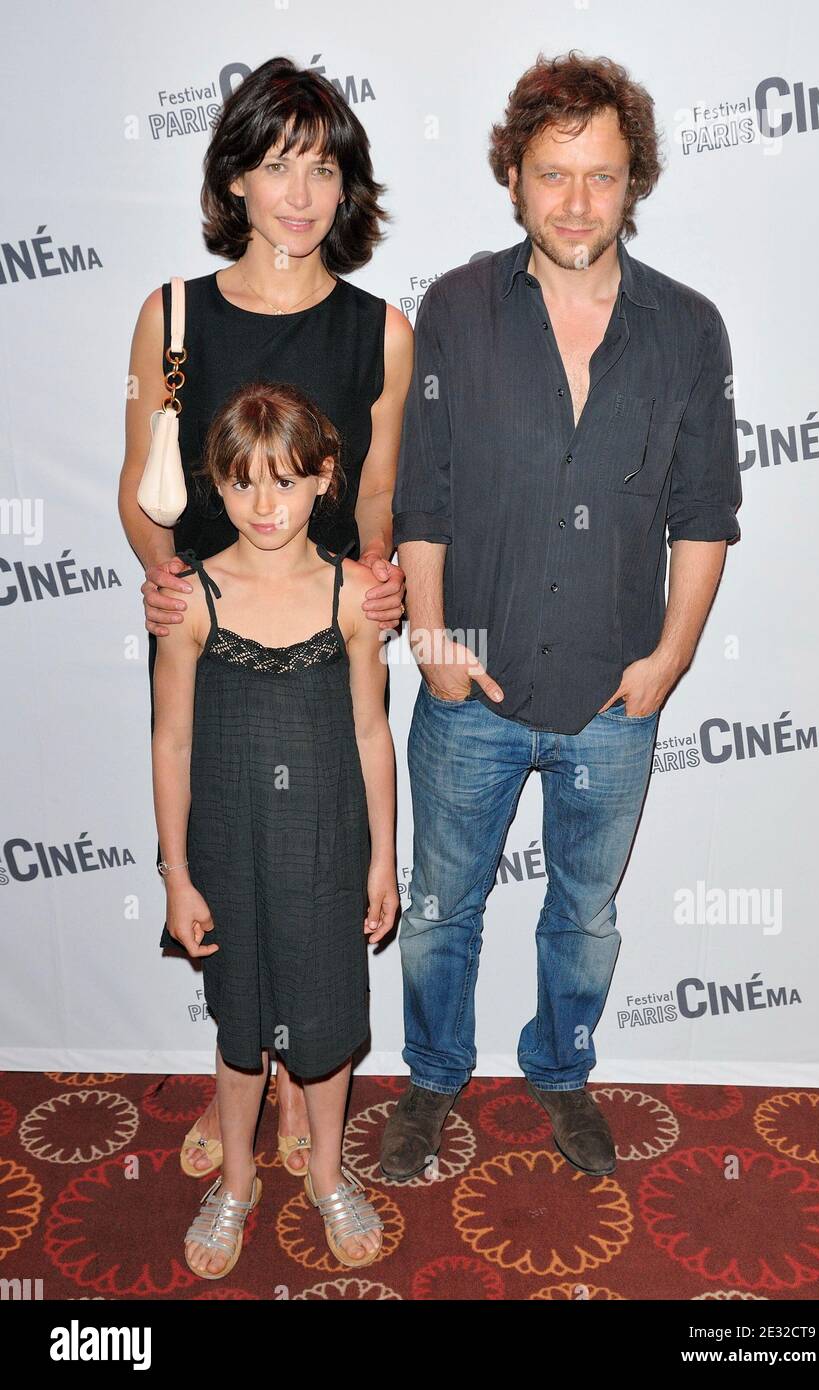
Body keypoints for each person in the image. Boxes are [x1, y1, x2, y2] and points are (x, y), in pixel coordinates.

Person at [383, 51, 742, 1180]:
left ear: (631, 180)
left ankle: (559, 1071)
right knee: (441, 910)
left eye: (599, 174)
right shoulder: (452, 308)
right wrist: (432, 642)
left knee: (582, 917)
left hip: (610, 696)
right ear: (512, 178)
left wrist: (671, 658)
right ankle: (432, 1078)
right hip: (470, 687)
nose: (576, 201)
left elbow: (704, 512)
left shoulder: (687, 330)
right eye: (552, 174)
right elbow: (422, 494)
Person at [118, 56, 412, 1179]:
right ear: (233, 177)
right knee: (225, 854)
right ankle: (243, 1071)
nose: (300, 192)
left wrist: (377, 576)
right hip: (206, 632)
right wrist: (163, 577)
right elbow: (139, 480)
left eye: (323, 168)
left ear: (347, 190)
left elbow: (377, 496)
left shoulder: (381, 331)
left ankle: (298, 1084)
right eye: (278, 165)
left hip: (327, 636)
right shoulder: (172, 315)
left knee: (318, 866)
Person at [153, 380, 399, 1275]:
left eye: (287, 482)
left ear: (325, 480)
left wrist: (383, 862)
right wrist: (176, 875)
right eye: (245, 483)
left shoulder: (351, 598)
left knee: (326, 1023)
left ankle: (329, 1176)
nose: (266, 505)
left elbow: (373, 733)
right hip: (226, 849)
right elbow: (171, 741)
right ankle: (238, 1181)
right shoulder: (189, 602)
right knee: (238, 1025)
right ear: (216, 485)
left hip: (328, 849)